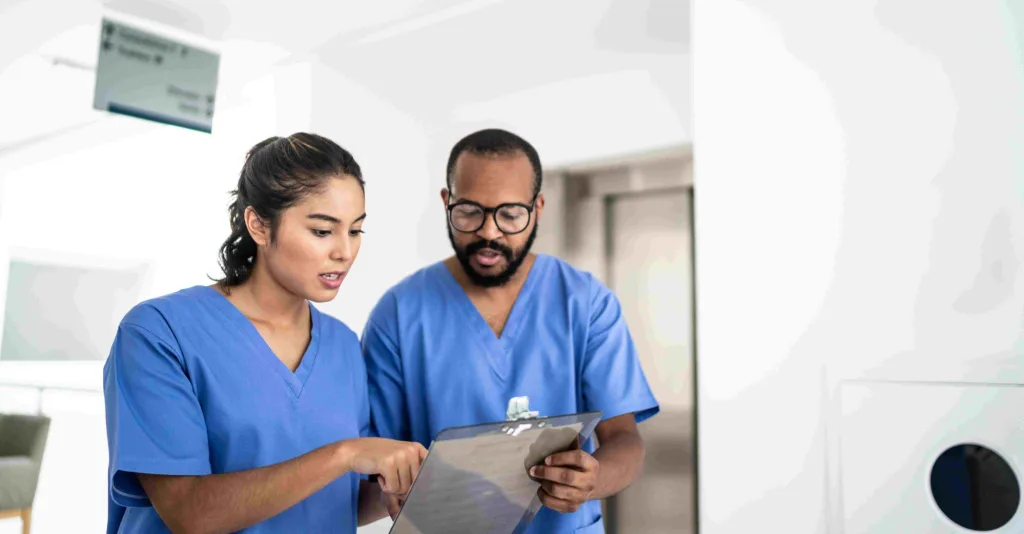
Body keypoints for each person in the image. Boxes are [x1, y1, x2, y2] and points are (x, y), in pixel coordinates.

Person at [102, 133, 425, 534]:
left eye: (355, 231)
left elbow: (331, 501)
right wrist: (345, 454)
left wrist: (402, 490)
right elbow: (188, 512)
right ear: (258, 224)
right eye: (323, 231)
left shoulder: (342, 344)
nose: (344, 251)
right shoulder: (158, 333)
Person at [361, 128, 659, 533]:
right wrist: (388, 490)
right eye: (469, 211)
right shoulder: (398, 314)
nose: (489, 232)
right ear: (446, 202)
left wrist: (590, 481)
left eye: (510, 214)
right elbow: (374, 464)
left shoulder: (586, 304)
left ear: (537, 208)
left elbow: (625, 441)